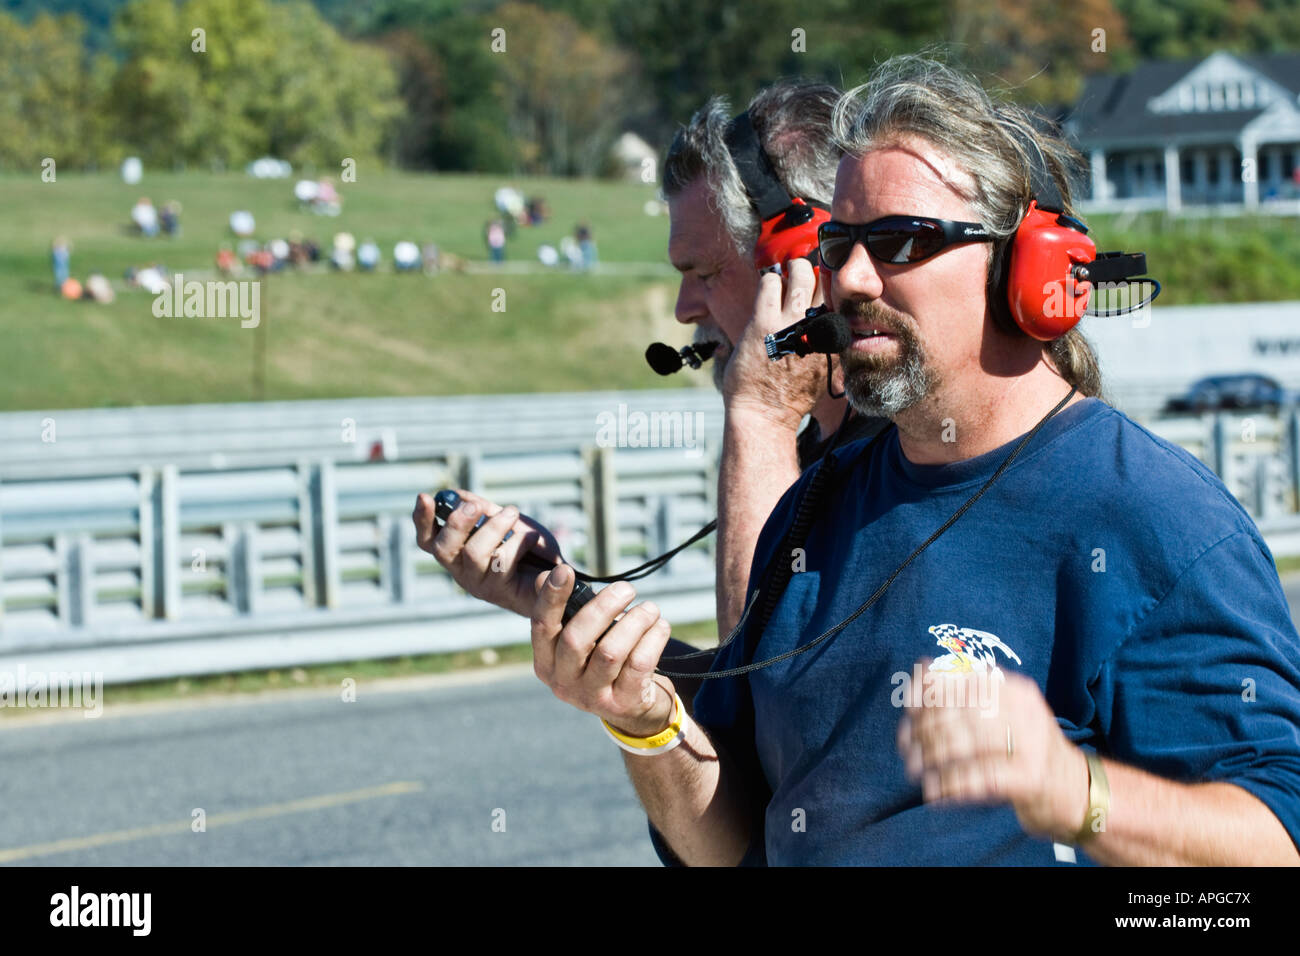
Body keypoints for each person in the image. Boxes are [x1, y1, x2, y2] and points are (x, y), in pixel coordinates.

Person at [524, 55, 1300, 867]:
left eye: (899, 242)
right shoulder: (812, 510)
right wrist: (647, 723)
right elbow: (742, 845)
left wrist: (1075, 794)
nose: (852, 279)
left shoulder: (1156, 518)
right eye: (839, 244)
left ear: (1024, 272)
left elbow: (1277, 842)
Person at [416, 83, 889, 733]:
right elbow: (738, 685)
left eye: (706, 272)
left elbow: (765, 699)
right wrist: (548, 595)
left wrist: (761, 411)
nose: (683, 309)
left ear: (802, 259)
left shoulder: (909, 460)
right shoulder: (808, 456)